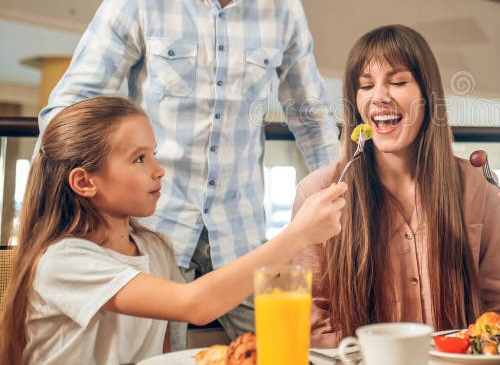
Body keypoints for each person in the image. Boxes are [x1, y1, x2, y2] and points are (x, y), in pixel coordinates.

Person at [38, 0, 340, 342]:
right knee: (155, 359)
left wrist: (345, 200)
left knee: (288, 351)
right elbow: (68, 109)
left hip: (243, 237)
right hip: (152, 234)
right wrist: (61, 216)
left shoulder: (283, 8)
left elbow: (312, 121)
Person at [0, 96, 346, 364]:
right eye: (139, 159)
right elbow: (194, 304)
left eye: (154, 154)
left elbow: (163, 357)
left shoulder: (155, 250)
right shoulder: (64, 261)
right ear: (83, 181)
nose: (159, 170)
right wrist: (298, 235)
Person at [291, 25, 500, 348]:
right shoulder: (319, 193)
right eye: (365, 86)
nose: (379, 96)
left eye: (397, 82)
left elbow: (499, 313)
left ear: (427, 96)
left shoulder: (477, 185)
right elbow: (313, 322)